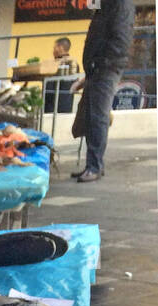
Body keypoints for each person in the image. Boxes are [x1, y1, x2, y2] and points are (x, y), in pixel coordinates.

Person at [70, 0, 135, 181]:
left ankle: (95, 166)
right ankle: (93, 164)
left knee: (98, 117)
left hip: (104, 67)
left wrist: (100, 63)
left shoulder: (119, 4)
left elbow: (119, 37)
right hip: (98, 67)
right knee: (92, 116)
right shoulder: (107, 4)